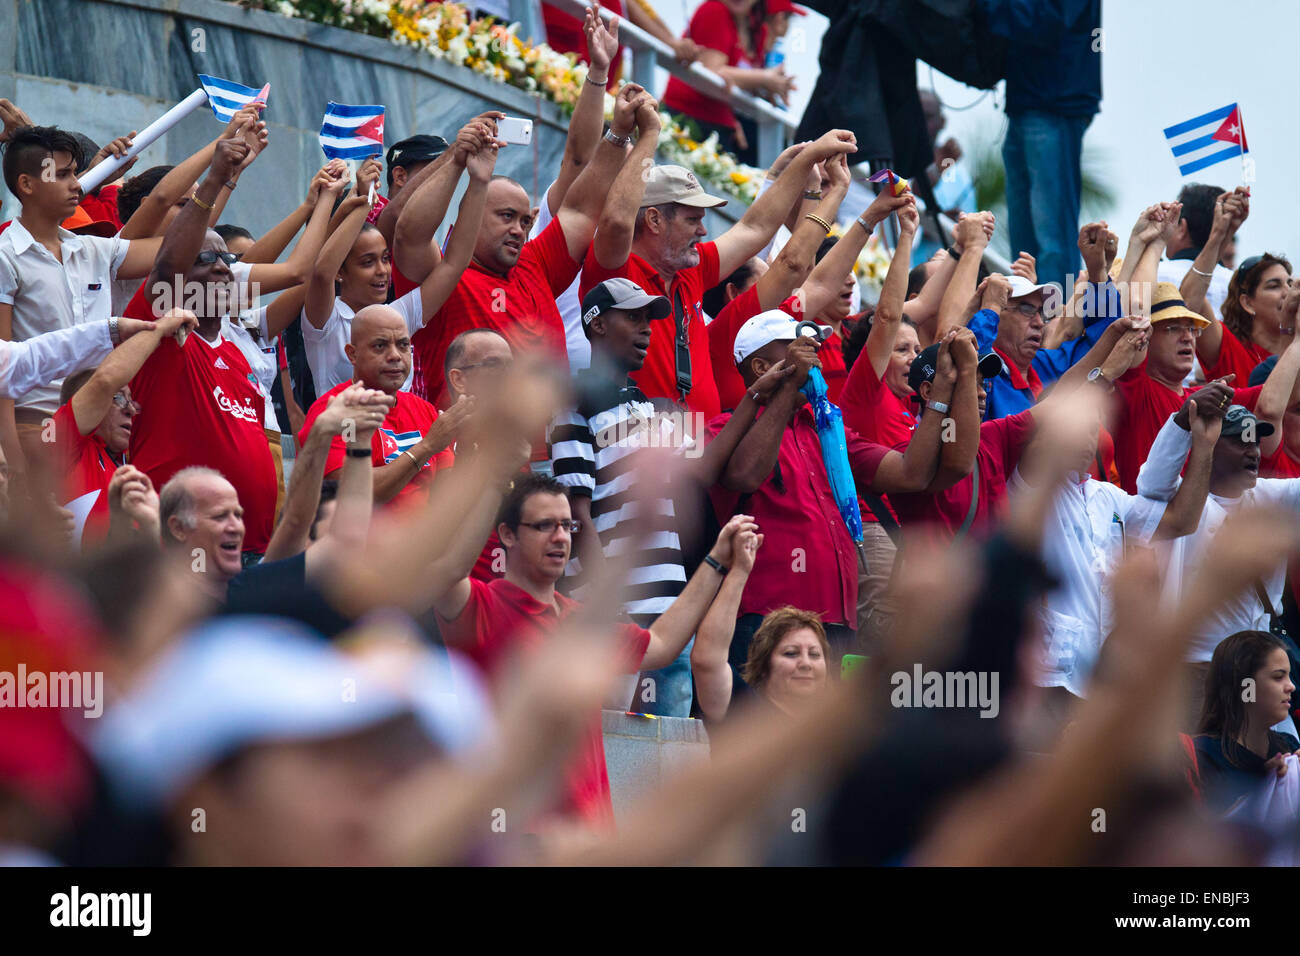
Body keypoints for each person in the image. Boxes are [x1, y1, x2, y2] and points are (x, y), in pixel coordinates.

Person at [431, 468, 758, 826]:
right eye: (544, 526)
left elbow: (661, 644)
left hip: (590, 836)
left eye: (567, 526)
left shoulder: (581, 620)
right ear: (507, 534)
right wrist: (494, 481)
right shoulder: (482, 604)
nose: (560, 538)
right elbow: (447, 574)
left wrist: (717, 562)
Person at [549, 278, 789, 715]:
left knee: (664, 761)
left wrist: (757, 396)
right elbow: (574, 512)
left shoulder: (648, 405)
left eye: (649, 320)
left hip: (669, 616)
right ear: (597, 325)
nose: (646, 329)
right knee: (617, 759)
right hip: (612, 617)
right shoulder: (573, 403)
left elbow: (703, 466)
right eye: (633, 318)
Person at [706, 311, 971, 673]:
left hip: (837, 623)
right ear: (759, 365)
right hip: (764, 620)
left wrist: (941, 390)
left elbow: (912, 473)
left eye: (813, 346)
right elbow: (745, 476)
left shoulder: (829, 430)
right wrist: (786, 389)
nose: (813, 356)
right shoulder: (725, 429)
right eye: (797, 347)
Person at [583, 126, 859, 420]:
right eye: (692, 220)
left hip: (701, 454)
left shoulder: (690, 270)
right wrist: (648, 133)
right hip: (640, 454)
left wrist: (804, 162)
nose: (703, 231)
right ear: (653, 220)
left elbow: (754, 229)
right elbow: (615, 222)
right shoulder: (616, 273)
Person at [411, 85, 649, 405]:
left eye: (525, 222)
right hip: (474, 451)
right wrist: (456, 159)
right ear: (471, 214)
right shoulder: (439, 277)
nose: (518, 230)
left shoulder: (534, 263)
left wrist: (619, 132)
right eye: (506, 216)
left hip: (556, 449)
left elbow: (579, 208)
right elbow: (408, 234)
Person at [1019, 384, 1222, 724]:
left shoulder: (1108, 496)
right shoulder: (1027, 486)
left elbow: (1181, 521)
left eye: (1092, 429)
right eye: (1077, 429)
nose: (1087, 440)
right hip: (1048, 680)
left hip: (1103, 679)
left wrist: (1203, 445)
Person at [0, 125, 171, 485]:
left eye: (76, 173)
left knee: (96, 535)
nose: (76, 185)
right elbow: (4, 371)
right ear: (27, 185)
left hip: (99, 427)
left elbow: (174, 252)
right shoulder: (5, 257)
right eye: (62, 175)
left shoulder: (94, 250)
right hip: (39, 429)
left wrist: (220, 176)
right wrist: (12, 462)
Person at [302, 130, 492, 395]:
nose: (383, 271)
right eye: (367, 262)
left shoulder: (397, 315)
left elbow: (454, 263)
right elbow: (321, 273)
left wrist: (479, 181)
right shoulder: (326, 320)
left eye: (385, 259)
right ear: (340, 273)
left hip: (406, 435)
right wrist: (363, 202)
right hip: (346, 435)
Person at [297, 305, 471, 508]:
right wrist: (427, 446)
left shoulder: (424, 410)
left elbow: (448, 494)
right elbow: (352, 491)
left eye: (403, 345)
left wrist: (471, 449)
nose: (395, 355)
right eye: (380, 346)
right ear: (352, 354)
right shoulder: (337, 410)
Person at [50, 308, 196, 549]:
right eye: (118, 398)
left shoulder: (135, 481)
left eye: (131, 400)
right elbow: (104, 382)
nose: (130, 410)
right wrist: (159, 328)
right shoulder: (63, 446)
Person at [994, 0, 1101, 294]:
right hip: (1025, 103)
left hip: (1055, 105)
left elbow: (1041, 24)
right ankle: (1026, 310)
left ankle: (1055, 322)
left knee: (1052, 233)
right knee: (1024, 234)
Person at [1182, 191, 1292, 386]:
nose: (1288, 292)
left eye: (1290, 284)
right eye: (1274, 285)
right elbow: (1188, 303)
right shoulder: (1229, 349)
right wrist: (1220, 234)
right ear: (1247, 303)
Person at [661, 0, 790, 164]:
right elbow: (712, 71)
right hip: (687, 118)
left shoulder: (753, 27)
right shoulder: (715, 10)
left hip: (717, 127)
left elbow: (727, 75)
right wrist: (765, 79)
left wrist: (771, 85)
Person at [1191, 630, 1300, 815]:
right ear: (1246, 688)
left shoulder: (1288, 744)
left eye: (1289, 676)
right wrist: (1262, 788)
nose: (1291, 686)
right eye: (1278, 677)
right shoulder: (1202, 754)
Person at [1157, 183, 1243, 320]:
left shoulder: (1154, 275)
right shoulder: (1241, 287)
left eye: (1173, 222)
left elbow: (1115, 312)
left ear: (1182, 228)